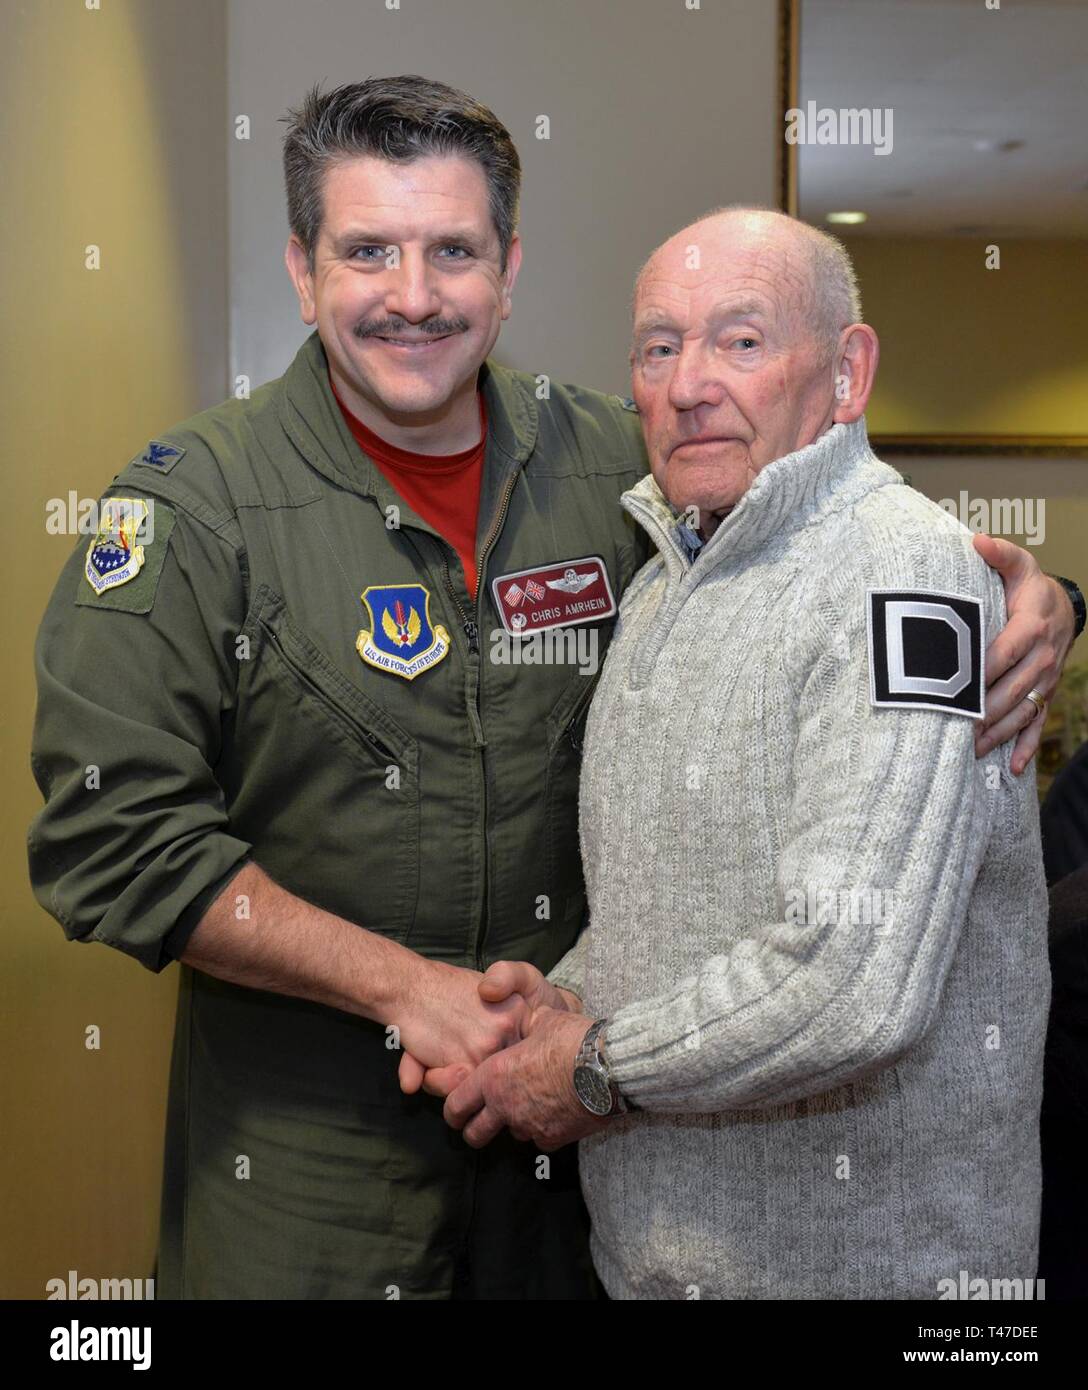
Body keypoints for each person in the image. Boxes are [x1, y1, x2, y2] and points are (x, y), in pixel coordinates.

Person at [27, 76, 1077, 1300]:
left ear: (508, 272)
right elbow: (110, 835)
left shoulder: (613, 466)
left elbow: (823, 527)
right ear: (303, 273)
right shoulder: (188, 508)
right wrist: (401, 986)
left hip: (589, 1149)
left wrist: (1026, 592)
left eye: (453, 252)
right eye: (367, 251)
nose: (413, 297)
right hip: (310, 1161)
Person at [424, 208, 1069, 1300]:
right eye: (658, 346)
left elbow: (849, 982)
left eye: (740, 340)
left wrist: (589, 1069)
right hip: (657, 1266)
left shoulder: (898, 574)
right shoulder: (660, 584)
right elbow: (679, 911)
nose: (687, 385)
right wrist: (561, 1004)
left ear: (847, 371)